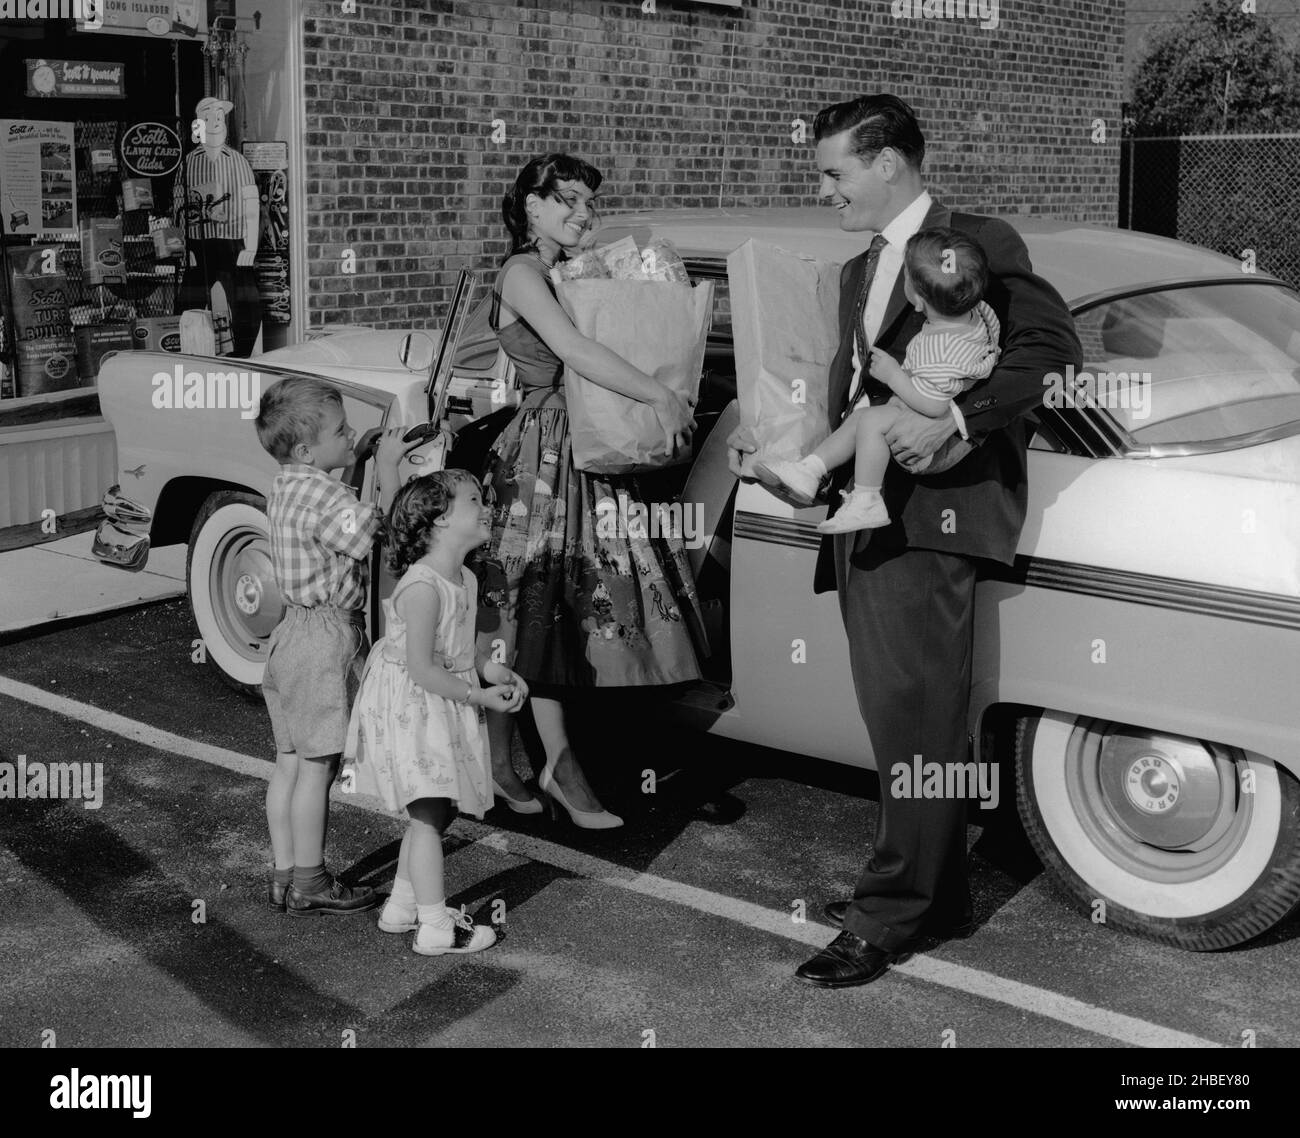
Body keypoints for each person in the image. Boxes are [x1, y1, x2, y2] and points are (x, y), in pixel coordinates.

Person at [728, 95, 1082, 987]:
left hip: (935, 517)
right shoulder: (856, 272)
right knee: (906, 721)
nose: (825, 190)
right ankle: (939, 891)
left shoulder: (976, 240)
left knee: (915, 721)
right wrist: (785, 453)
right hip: (866, 512)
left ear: (889, 163)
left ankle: (888, 915)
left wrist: (958, 416)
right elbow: (850, 399)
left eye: (834, 171)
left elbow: (1048, 348)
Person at [476, 152, 707, 828]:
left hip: (586, 443)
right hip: (546, 452)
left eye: (588, 203)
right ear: (531, 206)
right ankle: (536, 762)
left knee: (551, 608)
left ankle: (532, 760)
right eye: (568, 200)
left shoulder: (566, 270)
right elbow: (573, 351)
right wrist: (661, 393)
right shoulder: (521, 272)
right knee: (526, 605)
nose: (584, 214)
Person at [345, 471, 527, 955]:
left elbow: (460, 652)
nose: (485, 506)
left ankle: (403, 908)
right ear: (440, 519)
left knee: (438, 810)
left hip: (442, 699)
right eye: (474, 500)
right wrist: (478, 698)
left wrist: (494, 673)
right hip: (413, 707)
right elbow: (424, 670)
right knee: (427, 813)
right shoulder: (422, 587)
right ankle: (435, 928)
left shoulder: (463, 577)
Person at [255, 376, 413, 916]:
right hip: (324, 637)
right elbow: (386, 530)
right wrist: (388, 467)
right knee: (319, 768)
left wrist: (357, 457)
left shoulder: (289, 484)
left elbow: (335, 508)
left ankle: (283, 875)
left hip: (287, 636)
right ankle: (312, 882)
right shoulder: (325, 496)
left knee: (289, 762)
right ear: (306, 450)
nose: (351, 436)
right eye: (342, 431)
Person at [754, 227, 999, 532]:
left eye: (906, 277)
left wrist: (894, 375)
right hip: (911, 417)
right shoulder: (976, 315)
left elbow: (935, 407)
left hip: (920, 444)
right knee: (861, 420)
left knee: (869, 422)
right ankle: (810, 469)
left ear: (919, 302)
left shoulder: (942, 347)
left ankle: (867, 499)